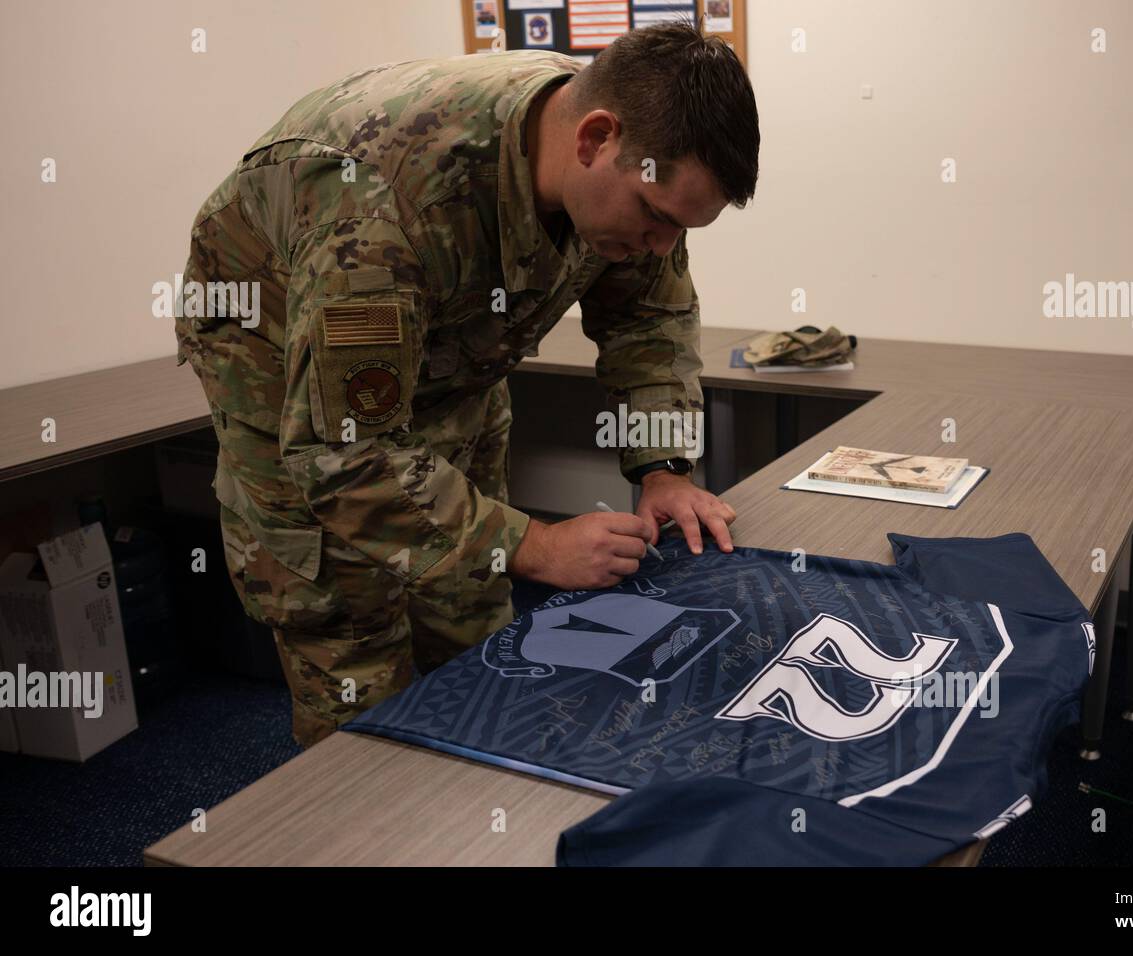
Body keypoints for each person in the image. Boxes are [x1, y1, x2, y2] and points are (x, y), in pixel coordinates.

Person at [174, 21, 760, 747]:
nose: (662, 246)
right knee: (355, 649)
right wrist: (537, 545)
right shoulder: (379, 206)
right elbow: (339, 453)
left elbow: (647, 318)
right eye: (654, 218)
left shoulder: (624, 168)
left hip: (448, 355)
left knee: (471, 614)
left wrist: (663, 469)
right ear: (594, 140)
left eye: (681, 229)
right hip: (280, 363)